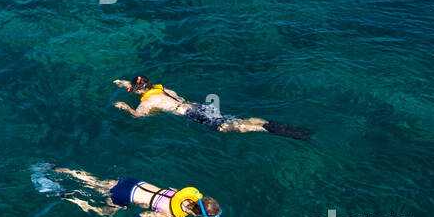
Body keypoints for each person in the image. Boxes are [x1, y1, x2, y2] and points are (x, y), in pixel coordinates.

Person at [112, 77, 312, 139]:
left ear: (140, 91)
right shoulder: (164, 90)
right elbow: (143, 88)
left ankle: (267, 128)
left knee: (230, 128)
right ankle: (266, 123)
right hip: (198, 106)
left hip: (191, 113)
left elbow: (140, 116)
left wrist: (125, 108)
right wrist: (123, 83)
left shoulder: (147, 102)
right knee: (233, 120)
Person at [46, 165, 220, 217]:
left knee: (95, 182)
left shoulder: (183, 194)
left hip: (133, 183)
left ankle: (61, 169)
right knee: (104, 213)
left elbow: (169, 190)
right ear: (198, 214)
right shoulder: (172, 216)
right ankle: (69, 197)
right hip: (125, 195)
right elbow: (140, 216)